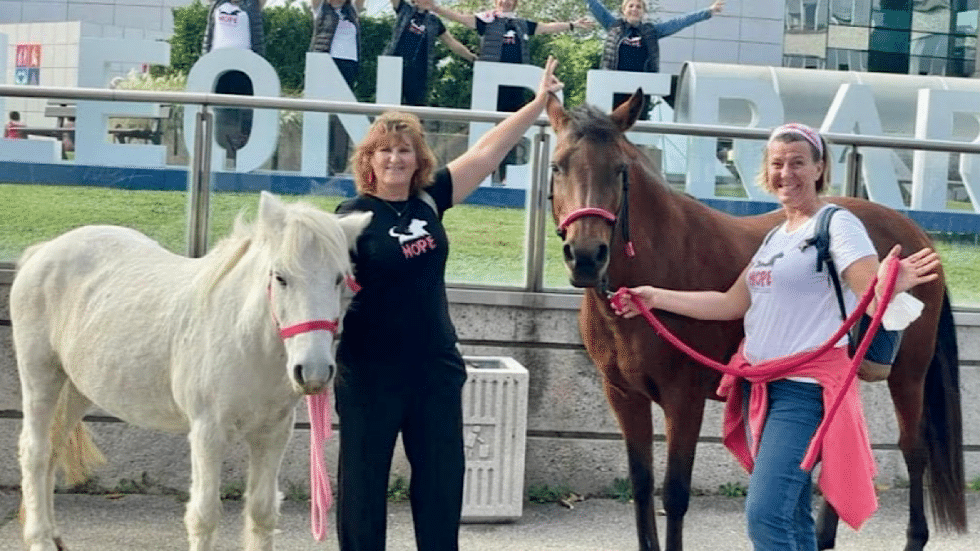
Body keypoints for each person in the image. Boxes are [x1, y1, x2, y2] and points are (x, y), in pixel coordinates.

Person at [612, 123, 942, 550]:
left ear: (820, 168)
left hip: (803, 393)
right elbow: (730, 304)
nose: (787, 172)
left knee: (766, 517)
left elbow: (866, 287)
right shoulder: (775, 238)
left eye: (798, 163)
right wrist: (654, 298)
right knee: (793, 517)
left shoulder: (836, 225)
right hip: (762, 388)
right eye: (778, 163)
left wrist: (888, 282)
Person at [333, 56, 563, 551]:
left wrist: (537, 104)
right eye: (385, 151)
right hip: (368, 373)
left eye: (405, 150)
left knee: (441, 484)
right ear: (369, 160)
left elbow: (487, 151)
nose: (395, 159)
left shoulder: (431, 199)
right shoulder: (350, 216)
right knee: (362, 489)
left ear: (419, 160)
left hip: (434, 367)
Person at [431, 0, 592, 184]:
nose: (505, 2)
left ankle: (508, 176)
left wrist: (572, 25)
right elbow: (461, 19)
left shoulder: (522, 24)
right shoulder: (487, 20)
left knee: (513, 131)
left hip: (515, 87)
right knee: (487, 130)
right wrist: (437, 8)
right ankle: (483, 173)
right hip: (491, 87)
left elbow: (546, 27)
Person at [586, 0, 724, 115]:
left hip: (640, 89)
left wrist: (708, 12)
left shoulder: (651, 31)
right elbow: (596, 7)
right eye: (631, 6)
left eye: (639, 7)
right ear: (624, 10)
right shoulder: (613, 26)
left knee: (638, 124)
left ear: (643, 12)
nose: (635, 9)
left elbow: (679, 22)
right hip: (613, 86)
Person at [201, 0, 266, 163]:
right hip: (218, 66)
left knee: (244, 112)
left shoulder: (252, 6)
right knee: (220, 111)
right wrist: (204, 59)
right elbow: (209, 35)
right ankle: (221, 153)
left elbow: (258, 38)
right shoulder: (217, 5)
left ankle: (240, 154)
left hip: (244, 68)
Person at [384, 0, 477, 107]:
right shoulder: (404, 9)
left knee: (416, 107)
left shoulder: (434, 21)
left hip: (418, 71)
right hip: (394, 65)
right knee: (389, 104)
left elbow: (451, 42)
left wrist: (472, 57)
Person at [310, 0, 365, 174]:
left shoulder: (353, 11)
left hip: (348, 65)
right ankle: (321, 160)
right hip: (326, 62)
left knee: (342, 116)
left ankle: (337, 162)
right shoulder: (320, 9)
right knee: (323, 114)